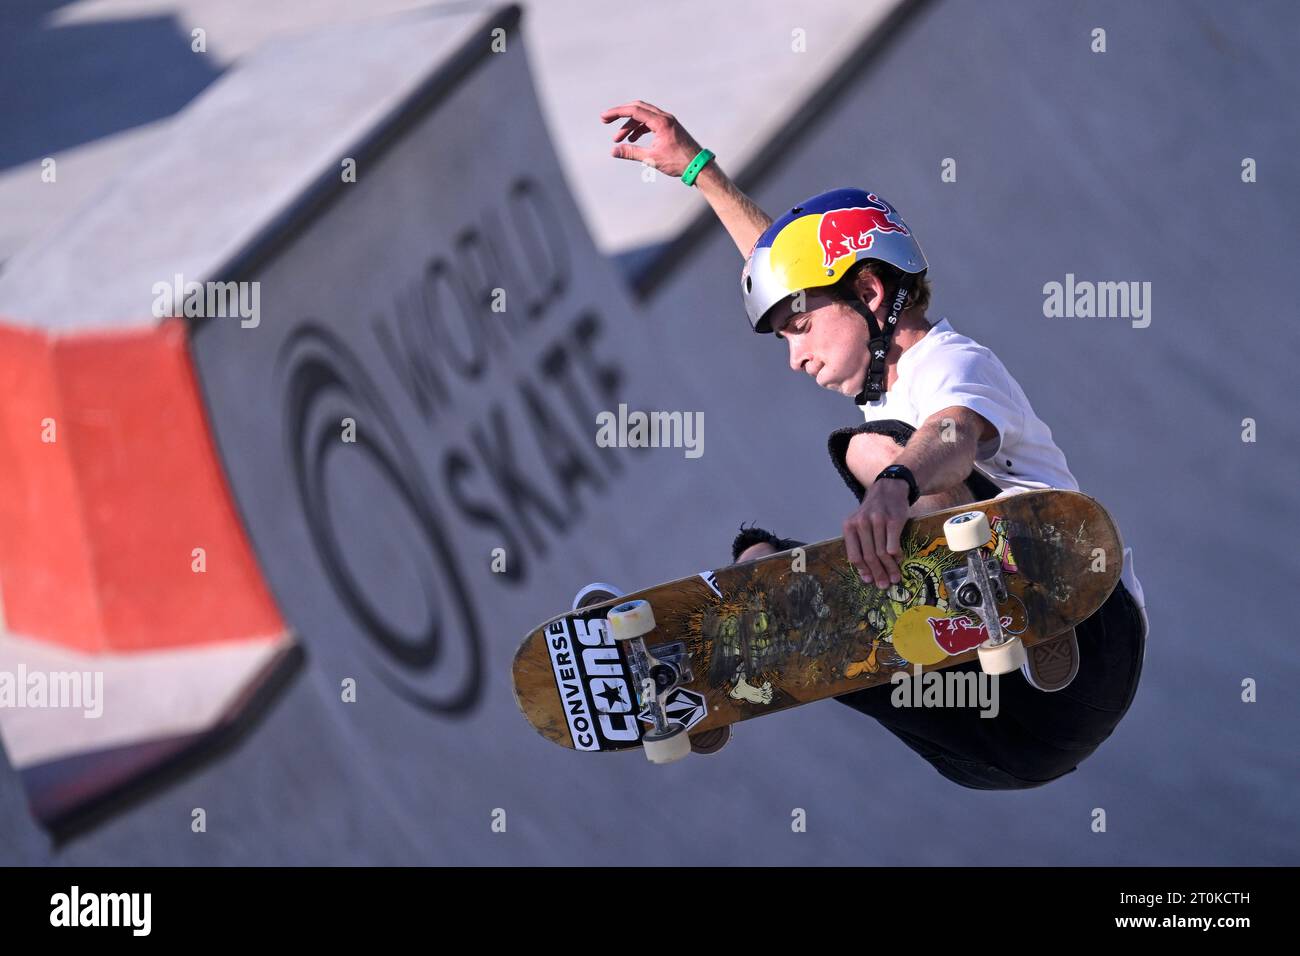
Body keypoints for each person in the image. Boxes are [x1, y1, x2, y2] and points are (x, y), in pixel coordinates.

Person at [602, 101, 1146, 789]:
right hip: (996, 742)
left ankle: (1015, 600)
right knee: (764, 566)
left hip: (1088, 636)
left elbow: (952, 431)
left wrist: (894, 481)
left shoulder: (952, 362)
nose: (793, 359)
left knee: (871, 452)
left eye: (798, 331)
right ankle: (706, 676)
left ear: (868, 289)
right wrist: (699, 171)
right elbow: (788, 265)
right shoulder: (866, 351)